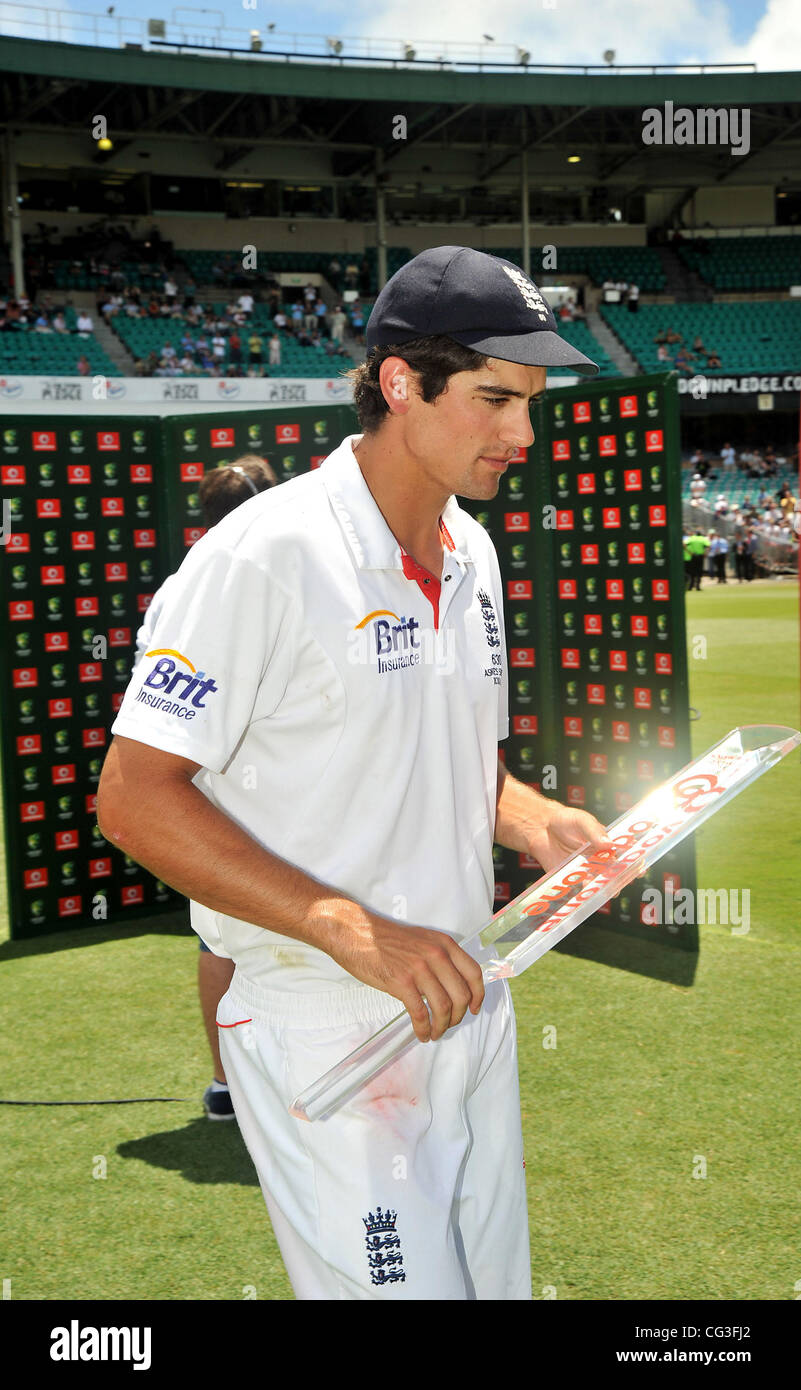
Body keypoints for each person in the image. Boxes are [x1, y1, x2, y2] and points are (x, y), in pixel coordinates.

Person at [96, 245, 614, 1302]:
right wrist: (346, 923)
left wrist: (533, 820)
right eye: (493, 400)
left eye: (531, 403)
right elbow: (133, 797)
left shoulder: (474, 552)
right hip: (324, 1020)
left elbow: (451, 764)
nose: (524, 434)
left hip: (470, 996)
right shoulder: (262, 556)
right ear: (396, 383)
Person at [128, 456, 278, 1119]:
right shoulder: (228, 581)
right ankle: (239, 1085)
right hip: (236, 787)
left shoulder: (177, 585)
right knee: (236, 936)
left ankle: (231, 1084)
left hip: (208, 788)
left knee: (225, 936)